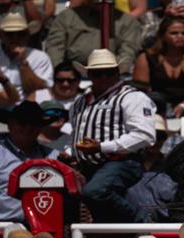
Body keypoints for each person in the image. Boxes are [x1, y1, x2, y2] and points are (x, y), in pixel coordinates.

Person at [65, 49, 158, 223]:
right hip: (87, 166)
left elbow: (145, 136)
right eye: (98, 73)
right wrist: (70, 152)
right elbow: (75, 133)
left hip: (122, 162)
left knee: (94, 191)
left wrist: (101, 146)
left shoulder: (132, 97)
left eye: (109, 72)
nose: (104, 77)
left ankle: (141, 220)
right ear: (90, 75)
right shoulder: (79, 102)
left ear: (117, 73)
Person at [136, 14, 184, 116]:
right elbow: (141, 88)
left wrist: (183, 105)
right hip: (158, 102)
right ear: (162, 35)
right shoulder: (147, 57)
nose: (180, 36)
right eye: (174, 33)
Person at [45, 0, 146, 73]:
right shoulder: (66, 17)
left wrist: (110, 74)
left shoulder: (127, 22)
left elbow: (127, 54)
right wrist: (62, 74)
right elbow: (55, 49)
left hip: (112, 76)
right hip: (73, 77)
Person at [0, 13, 53, 100]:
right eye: (9, 34)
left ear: (28, 35)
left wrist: (23, 62)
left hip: (25, 106)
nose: (15, 38)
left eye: (21, 34)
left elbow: (37, 89)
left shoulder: (40, 58)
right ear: (1, 35)